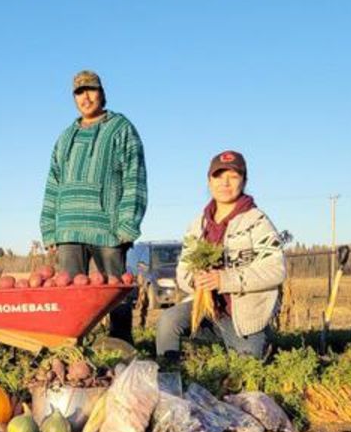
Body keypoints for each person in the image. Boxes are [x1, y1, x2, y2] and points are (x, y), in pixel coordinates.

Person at [40, 70, 147, 344]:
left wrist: (128, 222)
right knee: (70, 302)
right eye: (79, 92)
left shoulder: (121, 128)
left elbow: (135, 176)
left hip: (108, 229)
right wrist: (49, 228)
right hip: (68, 231)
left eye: (90, 90)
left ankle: (121, 349)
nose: (85, 97)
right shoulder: (65, 137)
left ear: (102, 93)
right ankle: (73, 355)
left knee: (116, 296)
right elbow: (53, 182)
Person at [156, 150, 286, 362]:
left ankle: (260, 339)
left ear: (244, 181)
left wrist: (223, 280)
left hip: (242, 317)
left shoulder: (257, 221)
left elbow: (276, 270)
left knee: (246, 371)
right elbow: (183, 271)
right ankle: (169, 378)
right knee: (168, 321)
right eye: (219, 176)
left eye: (233, 176)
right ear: (209, 181)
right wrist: (194, 280)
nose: (225, 183)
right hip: (206, 311)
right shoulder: (198, 224)